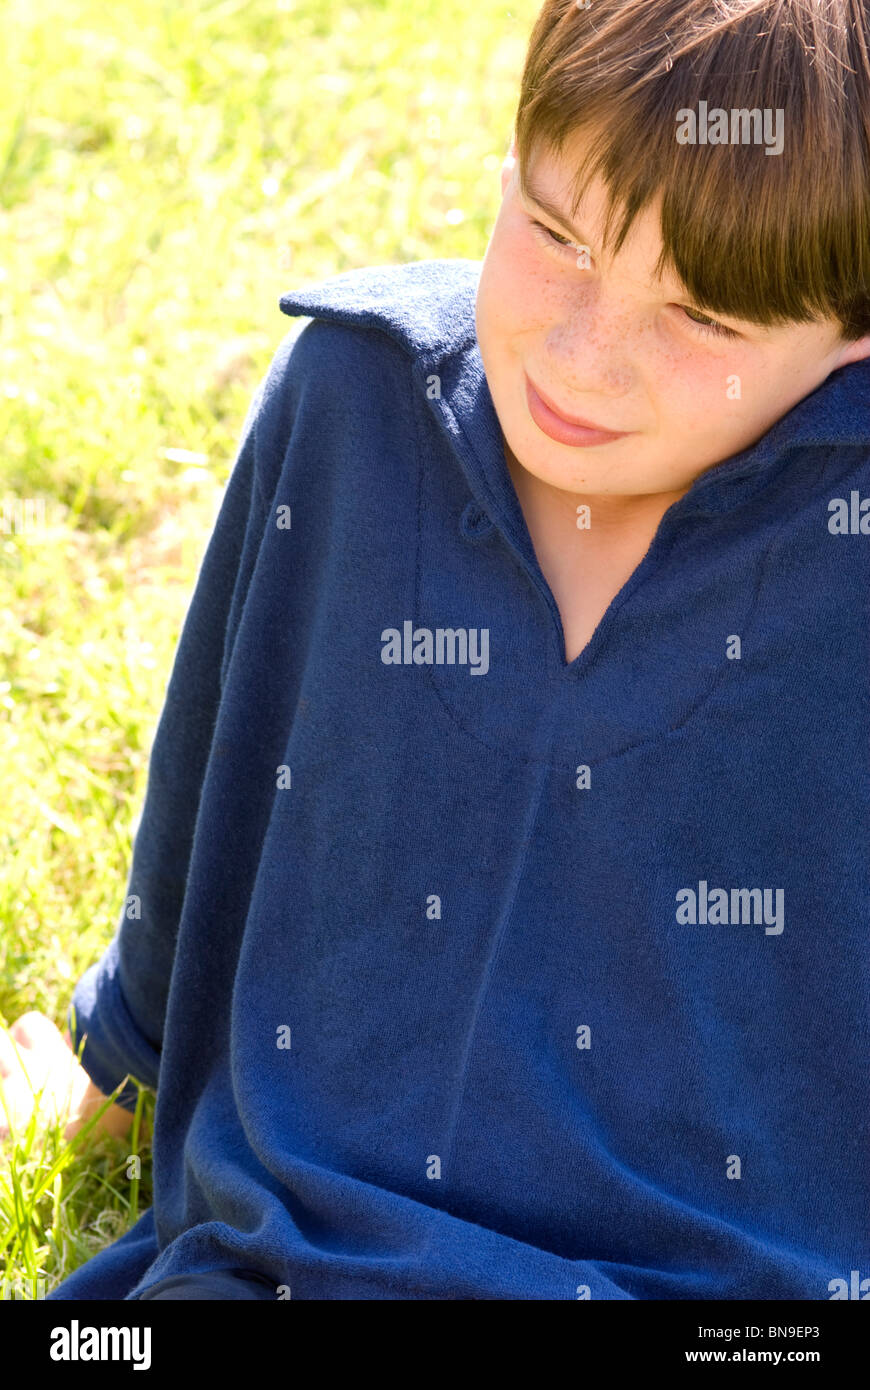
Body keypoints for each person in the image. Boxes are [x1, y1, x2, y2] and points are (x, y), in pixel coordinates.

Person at [4, 0, 869, 1299]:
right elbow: (225, 749)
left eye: (704, 320)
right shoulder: (357, 396)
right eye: (557, 234)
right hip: (297, 1255)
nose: (584, 356)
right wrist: (122, 1053)